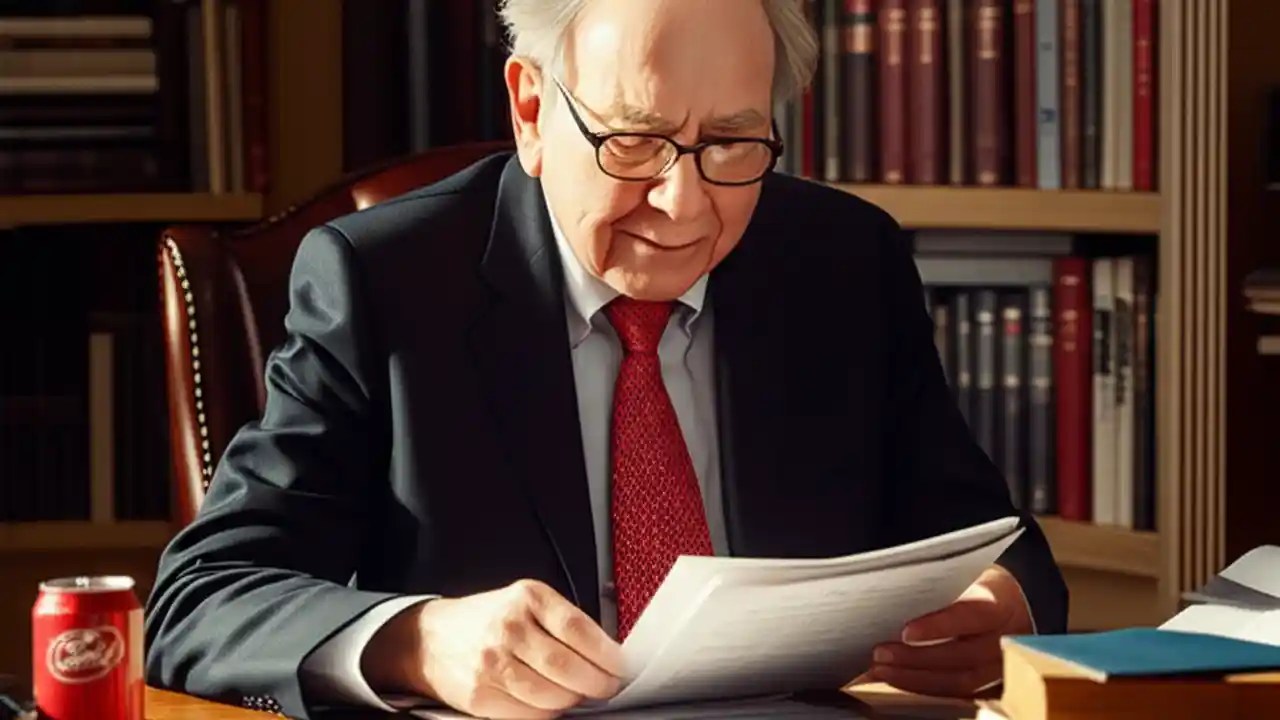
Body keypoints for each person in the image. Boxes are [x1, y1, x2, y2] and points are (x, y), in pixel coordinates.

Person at [144, 0, 1067, 718]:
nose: (684, 203)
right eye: (634, 139)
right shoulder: (384, 284)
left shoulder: (843, 263)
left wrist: (999, 609)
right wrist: (418, 640)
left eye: (733, 144)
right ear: (533, 110)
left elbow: (992, 538)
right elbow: (204, 598)